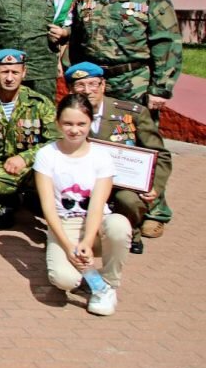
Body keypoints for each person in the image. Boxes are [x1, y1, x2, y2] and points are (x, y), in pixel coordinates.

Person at [33, 93, 131, 316]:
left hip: (95, 223)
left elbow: (97, 205)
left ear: (90, 123)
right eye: (68, 123)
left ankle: (108, 285)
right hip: (64, 223)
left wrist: (87, 240)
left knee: (119, 225)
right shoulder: (46, 155)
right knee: (64, 279)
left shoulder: (101, 157)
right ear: (58, 123)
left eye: (81, 124)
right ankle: (92, 279)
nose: (74, 130)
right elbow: (48, 208)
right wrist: (69, 247)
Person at [66, 62, 173, 253]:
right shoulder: (66, 115)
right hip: (86, 183)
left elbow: (161, 155)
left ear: (103, 85)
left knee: (128, 201)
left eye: (93, 84)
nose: (88, 91)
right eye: (80, 86)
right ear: (70, 90)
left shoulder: (131, 114)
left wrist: (155, 187)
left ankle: (132, 232)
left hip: (123, 184)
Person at [69, 0, 182, 112]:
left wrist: (160, 89)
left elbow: (166, 43)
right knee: (94, 134)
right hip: (93, 83)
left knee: (138, 136)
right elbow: (76, 41)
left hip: (134, 83)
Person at [0, 49, 60, 226]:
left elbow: (56, 141)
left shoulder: (39, 103)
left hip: (30, 172)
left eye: (15, 72)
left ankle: (55, 217)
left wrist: (25, 157)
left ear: (24, 72)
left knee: (59, 173)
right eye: (4, 72)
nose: (9, 78)